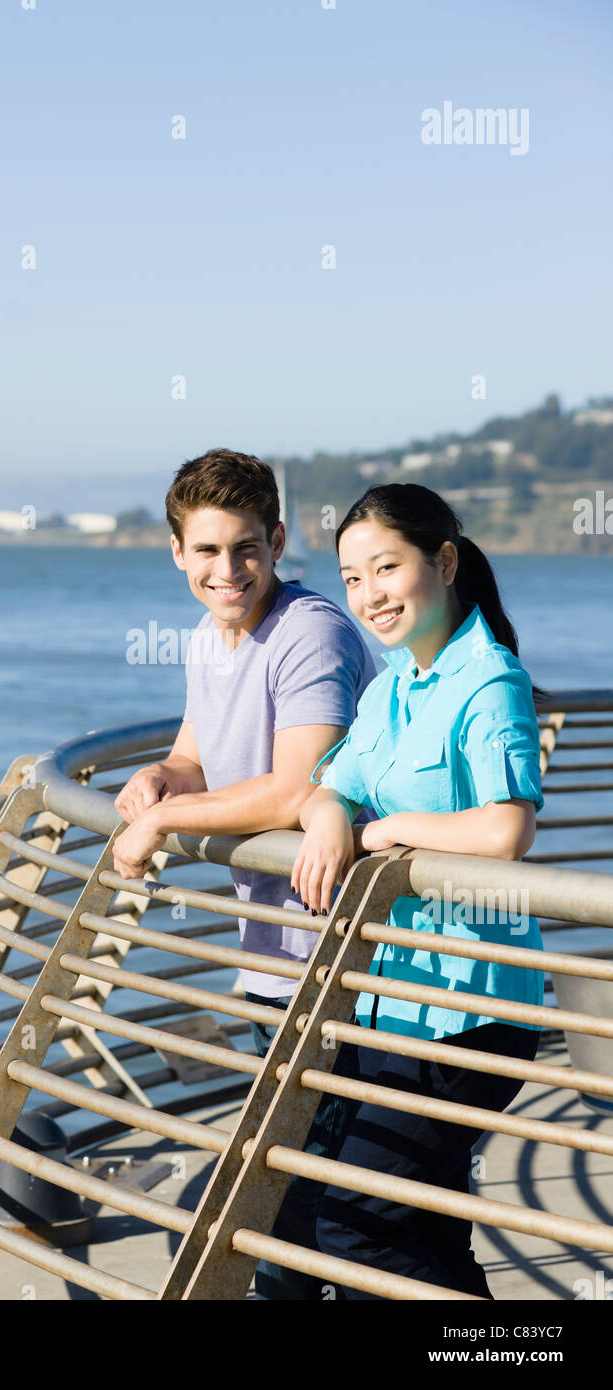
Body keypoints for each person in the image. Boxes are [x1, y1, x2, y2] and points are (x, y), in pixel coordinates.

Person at [111, 447, 378, 1298]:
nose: (228, 571)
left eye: (246, 549)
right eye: (207, 551)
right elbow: (197, 758)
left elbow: (294, 788)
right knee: (281, 1199)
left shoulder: (311, 631)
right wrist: (159, 781)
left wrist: (160, 823)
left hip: (347, 959)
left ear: (278, 540)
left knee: (330, 1209)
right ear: (178, 554)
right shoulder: (209, 634)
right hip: (274, 959)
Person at [292, 482, 546, 1299]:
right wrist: (331, 815)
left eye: (387, 568)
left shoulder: (489, 680)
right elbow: (330, 783)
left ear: (443, 561)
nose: (368, 595)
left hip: (470, 1014)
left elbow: (506, 829)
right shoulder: (392, 687)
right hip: (390, 1003)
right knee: (428, 1232)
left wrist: (385, 831)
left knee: (354, 1226)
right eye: (351, 577)